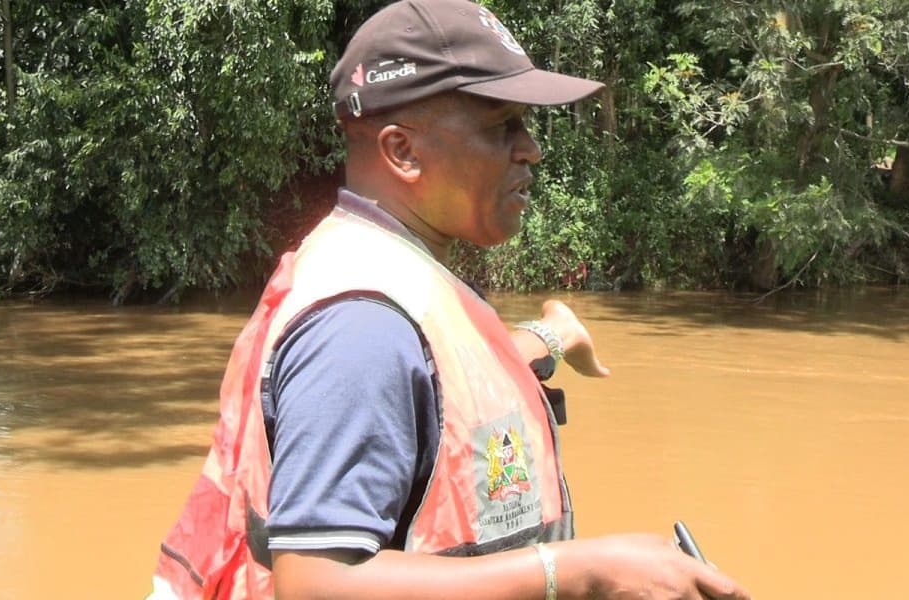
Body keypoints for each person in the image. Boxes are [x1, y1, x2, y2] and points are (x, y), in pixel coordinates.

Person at [149, 1, 750, 598]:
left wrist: (549, 338)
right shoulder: (359, 331)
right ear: (402, 151)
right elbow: (316, 583)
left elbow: (440, 387)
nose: (530, 148)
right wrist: (584, 571)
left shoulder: (387, 271)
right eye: (501, 126)